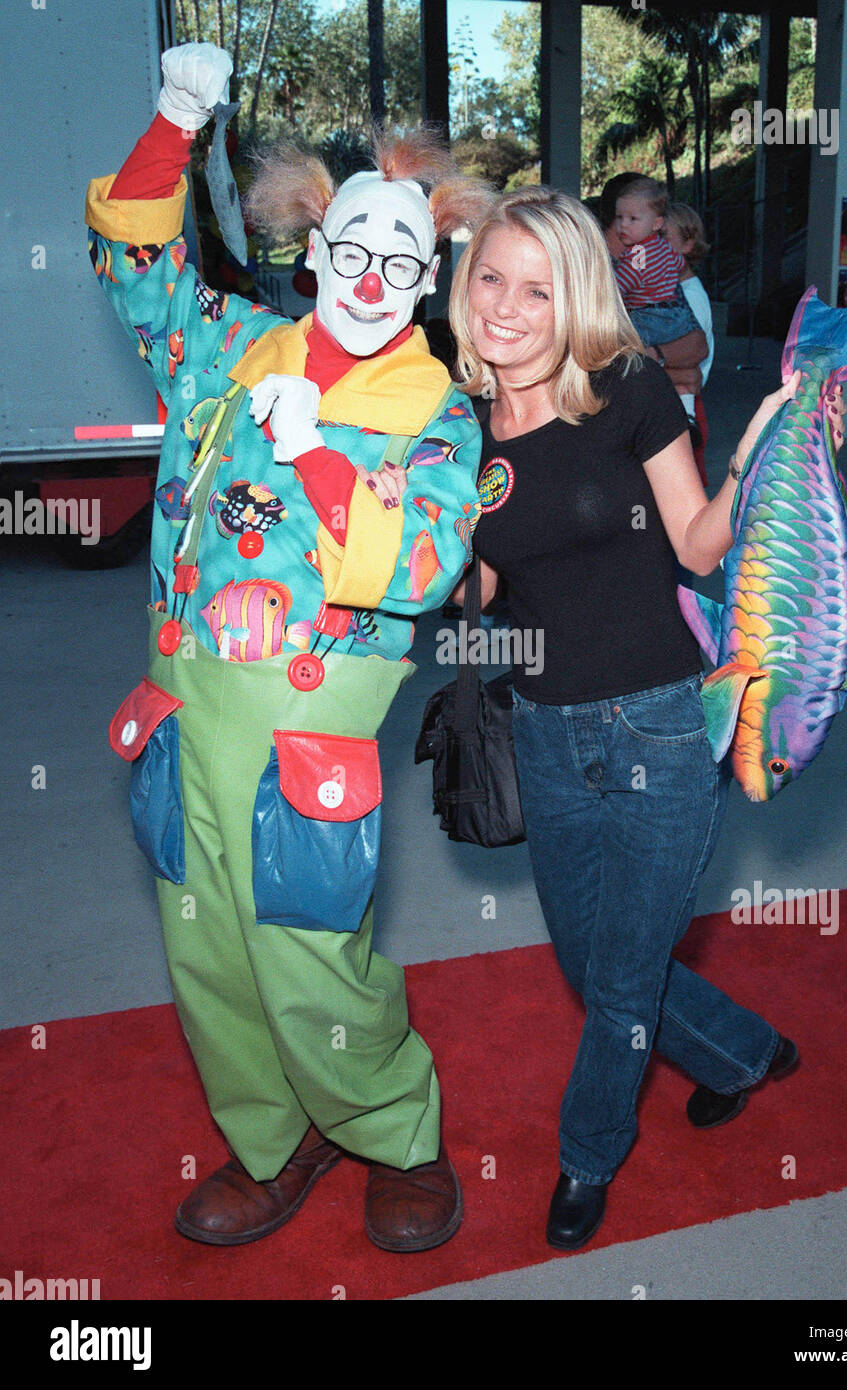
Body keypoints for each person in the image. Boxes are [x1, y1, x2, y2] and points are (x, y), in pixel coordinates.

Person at [91, 43, 489, 1250]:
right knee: (205, 948)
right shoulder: (223, 349)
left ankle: (392, 1129)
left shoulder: (437, 408)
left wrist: (319, 448)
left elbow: (424, 564)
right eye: (350, 254)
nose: (369, 280)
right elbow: (140, 270)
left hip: (308, 731)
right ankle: (274, 1140)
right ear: (312, 253)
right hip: (181, 701)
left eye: (397, 262)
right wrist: (171, 121)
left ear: (426, 279)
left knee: (312, 955)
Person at [448, 185, 803, 1252]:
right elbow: (472, 589)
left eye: (538, 289)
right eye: (491, 280)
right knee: (593, 959)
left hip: (657, 722)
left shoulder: (629, 390)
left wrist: (766, 448)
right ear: (465, 289)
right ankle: (747, 1053)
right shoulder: (452, 424)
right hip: (546, 730)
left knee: (614, 984)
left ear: (578, 299)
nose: (508, 307)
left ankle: (587, 1155)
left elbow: (697, 543)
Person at [612, 176, 701, 352]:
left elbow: (618, 287)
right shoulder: (665, 246)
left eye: (633, 219)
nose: (623, 225)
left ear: (657, 223)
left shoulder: (638, 253)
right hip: (677, 316)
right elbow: (680, 265)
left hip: (649, 318)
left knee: (611, 341)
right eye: (619, 217)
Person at [662, 202, 714, 483]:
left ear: (688, 244)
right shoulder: (670, 291)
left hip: (684, 409)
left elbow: (687, 360)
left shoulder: (690, 296)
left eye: (663, 239)